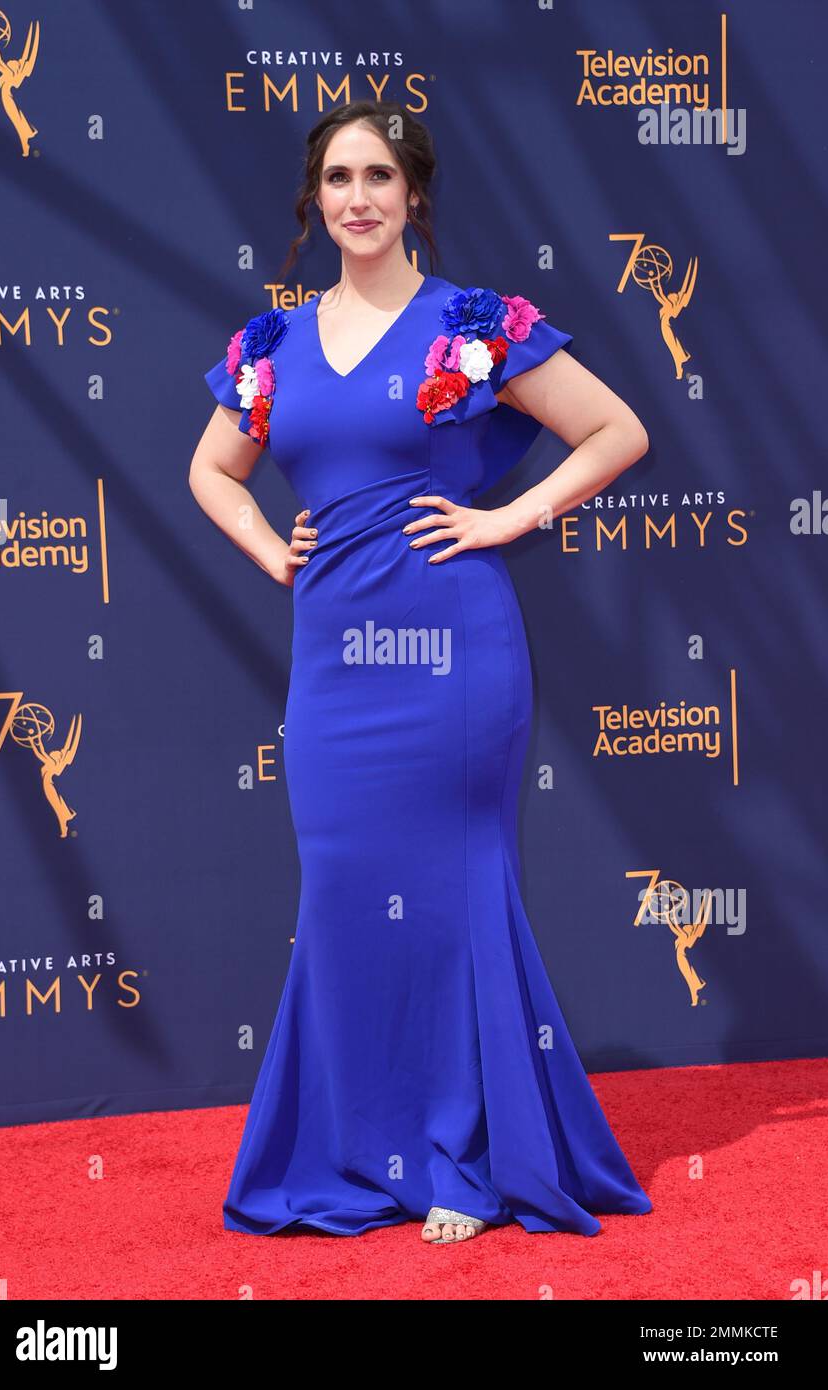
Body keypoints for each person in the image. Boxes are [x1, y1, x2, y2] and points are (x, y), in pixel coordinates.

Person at [190, 100, 652, 1245]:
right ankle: (353, 1149)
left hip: (454, 649)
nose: (358, 197)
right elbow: (212, 469)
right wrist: (272, 551)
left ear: (413, 197)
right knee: (345, 889)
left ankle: (461, 1152)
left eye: (379, 177)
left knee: (452, 889)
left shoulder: (472, 326)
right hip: (334, 660)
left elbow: (616, 431)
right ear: (315, 199)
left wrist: (510, 519)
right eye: (339, 178)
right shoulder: (273, 345)